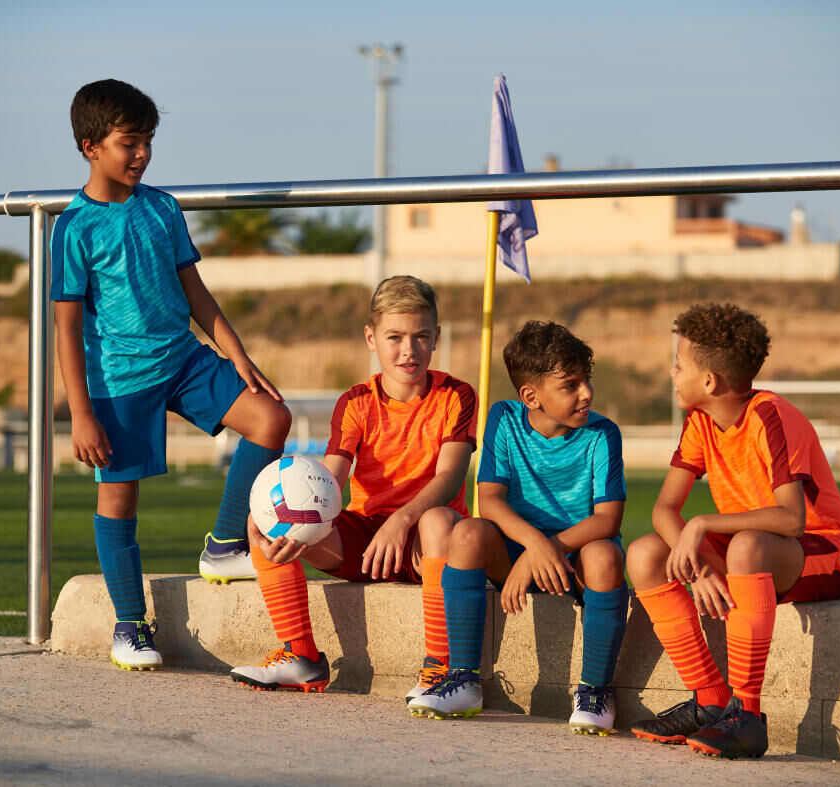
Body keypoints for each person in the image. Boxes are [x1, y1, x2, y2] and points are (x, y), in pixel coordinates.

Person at [51, 79, 291, 670]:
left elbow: (196, 292)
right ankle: (131, 626)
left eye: (148, 141)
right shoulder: (74, 227)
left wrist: (237, 355)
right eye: (129, 142)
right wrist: (80, 413)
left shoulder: (161, 207)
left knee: (270, 417)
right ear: (90, 146)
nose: (141, 154)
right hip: (119, 379)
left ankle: (224, 542)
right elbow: (64, 328)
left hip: (184, 358)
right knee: (120, 499)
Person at [627, 302, 840, 759]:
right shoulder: (700, 421)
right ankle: (709, 701)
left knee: (746, 546)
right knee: (644, 554)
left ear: (710, 381)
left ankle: (748, 716)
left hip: (825, 551)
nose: (671, 372)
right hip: (752, 552)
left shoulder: (772, 416)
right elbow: (663, 510)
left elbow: (792, 519)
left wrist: (702, 524)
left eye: (678, 365)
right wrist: (696, 569)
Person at [229, 275, 476, 696]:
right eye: (394, 336)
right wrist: (293, 519)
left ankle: (441, 669)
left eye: (421, 336)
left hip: (426, 542)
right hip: (367, 541)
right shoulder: (356, 401)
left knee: (436, 522)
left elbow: (449, 476)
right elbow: (327, 481)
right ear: (371, 338)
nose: (408, 349)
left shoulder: (457, 395)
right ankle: (302, 656)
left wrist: (402, 520)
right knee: (266, 520)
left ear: (436, 338)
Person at [407, 321, 628, 734]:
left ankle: (596, 691)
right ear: (531, 396)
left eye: (587, 381)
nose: (587, 394)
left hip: (576, 561)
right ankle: (463, 679)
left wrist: (545, 549)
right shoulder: (504, 419)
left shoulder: (602, 434)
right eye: (571, 385)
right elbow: (489, 498)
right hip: (518, 556)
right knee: (467, 533)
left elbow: (607, 520)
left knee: (605, 554)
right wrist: (531, 547)